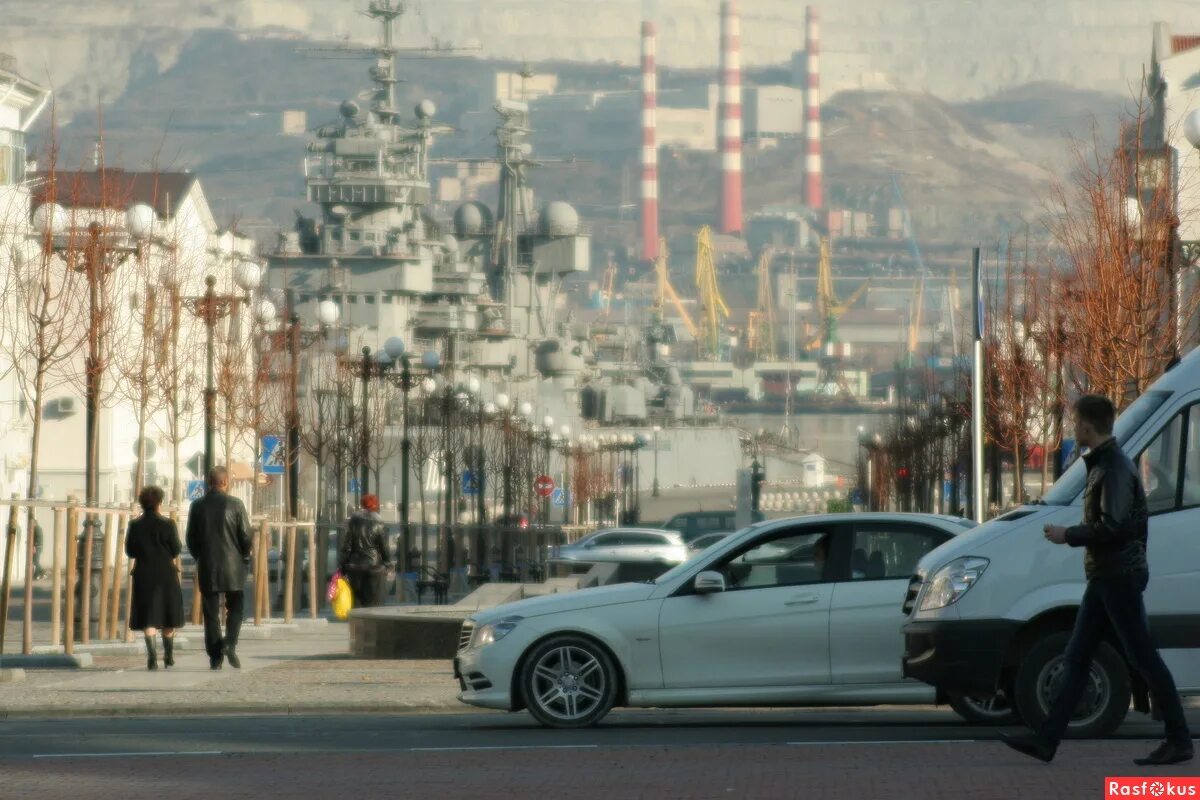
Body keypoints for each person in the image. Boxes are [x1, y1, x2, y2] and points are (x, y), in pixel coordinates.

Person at [1001, 394, 1192, 767]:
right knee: (1077, 656)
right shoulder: (1105, 465)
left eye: (1076, 423)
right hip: (1107, 577)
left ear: (1087, 425)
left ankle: (1179, 739)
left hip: (1118, 577)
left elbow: (1114, 526)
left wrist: (1067, 534)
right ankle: (1046, 739)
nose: (1074, 429)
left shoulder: (1115, 468)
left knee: (1142, 658)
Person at [186, 465, 252, 670]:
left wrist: (201, 556)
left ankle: (215, 656)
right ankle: (230, 643)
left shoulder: (197, 506)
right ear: (225, 482)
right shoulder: (236, 504)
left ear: (208, 481)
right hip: (233, 567)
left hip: (208, 566)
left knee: (211, 613)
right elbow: (246, 536)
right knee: (237, 606)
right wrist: (244, 554)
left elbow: (190, 538)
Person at [125, 486, 184, 670]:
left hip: (144, 573)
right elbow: (176, 549)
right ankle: (168, 655)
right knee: (168, 614)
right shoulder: (168, 524)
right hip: (166, 573)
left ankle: (152, 657)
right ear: (160, 503)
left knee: (149, 615)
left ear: (142, 504)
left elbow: (130, 550)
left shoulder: (134, 525)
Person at [339, 494, 391, 608]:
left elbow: (347, 546)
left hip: (354, 565)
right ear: (375, 506)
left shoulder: (353, 521)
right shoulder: (379, 522)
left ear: (362, 504)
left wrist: (343, 564)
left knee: (356, 598)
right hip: (373, 566)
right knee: (371, 600)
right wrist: (387, 563)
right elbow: (384, 547)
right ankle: (369, 623)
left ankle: (356, 623)